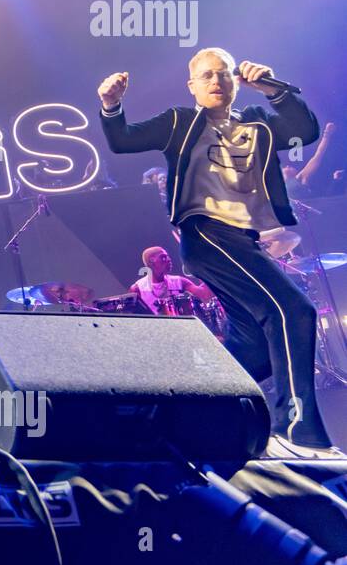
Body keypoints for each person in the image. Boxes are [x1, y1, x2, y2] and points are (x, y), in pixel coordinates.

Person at [98, 47, 339, 457]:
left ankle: (171, 413)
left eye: (224, 74)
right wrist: (110, 104)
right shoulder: (179, 122)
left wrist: (273, 90)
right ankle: (298, 431)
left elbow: (305, 130)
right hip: (206, 233)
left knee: (256, 351)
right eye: (207, 76)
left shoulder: (258, 122)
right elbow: (123, 140)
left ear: (235, 82)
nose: (216, 82)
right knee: (295, 311)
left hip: (246, 239)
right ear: (192, 86)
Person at [131, 246, 213, 315]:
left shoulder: (179, 281)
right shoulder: (137, 289)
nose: (169, 259)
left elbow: (205, 295)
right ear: (152, 260)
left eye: (168, 256)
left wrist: (201, 268)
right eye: (163, 257)